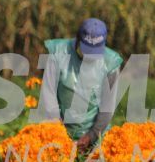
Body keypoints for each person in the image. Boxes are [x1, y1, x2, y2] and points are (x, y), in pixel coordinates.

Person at [39, 18, 123, 151]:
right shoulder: (58, 53)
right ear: (77, 40)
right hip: (59, 130)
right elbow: (48, 94)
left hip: (97, 135)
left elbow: (108, 107)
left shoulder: (110, 63)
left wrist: (92, 135)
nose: (89, 57)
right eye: (86, 51)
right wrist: (58, 130)